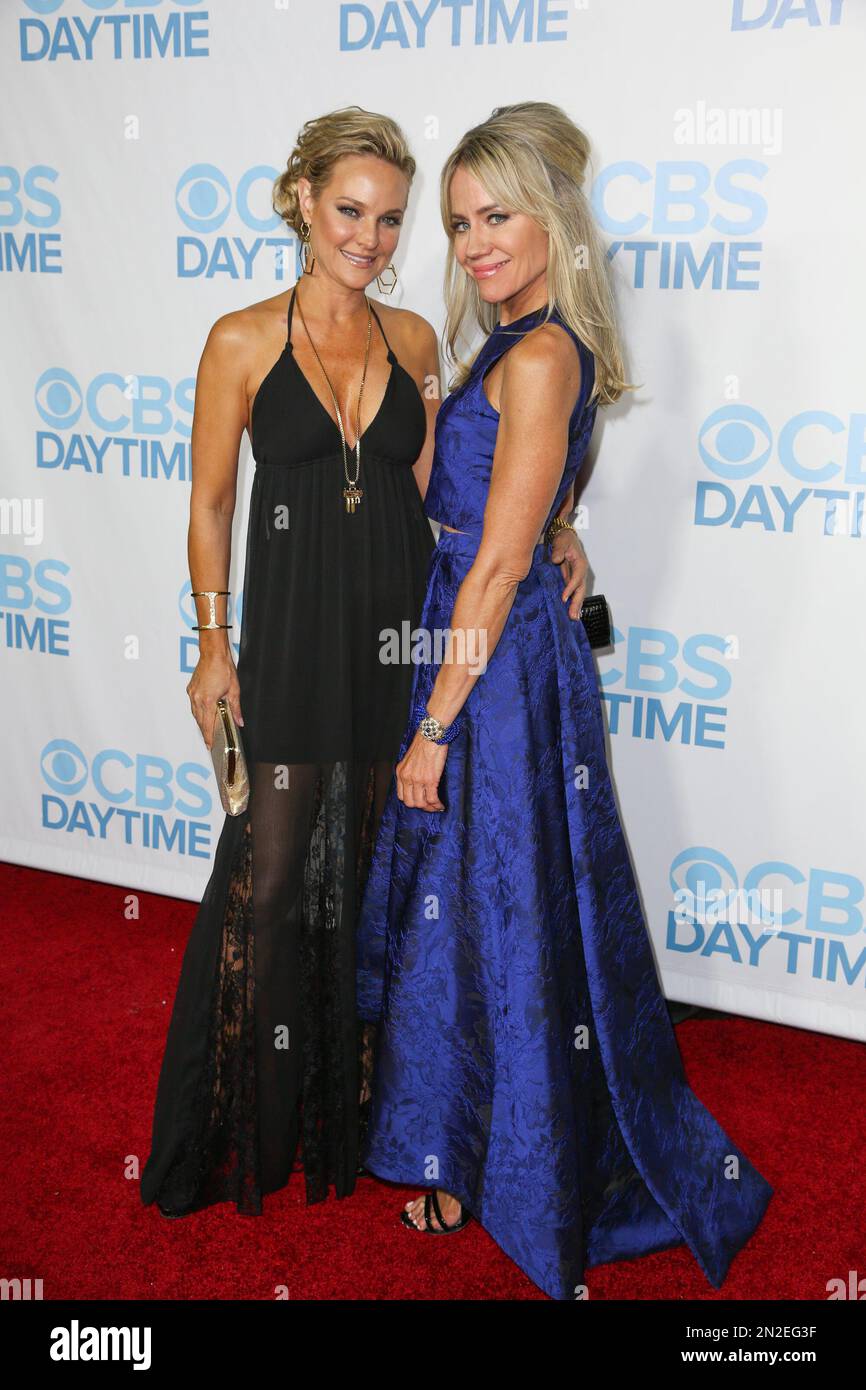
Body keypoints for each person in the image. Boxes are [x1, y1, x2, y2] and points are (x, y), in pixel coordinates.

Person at [356, 102, 774, 1299]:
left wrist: (435, 722)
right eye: (458, 223)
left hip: (485, 657)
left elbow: (490, 564)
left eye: (498, 215)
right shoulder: (509, 343)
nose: (476, 241)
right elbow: (503, 510)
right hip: (477, 632)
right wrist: (558, 525)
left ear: (551, 219)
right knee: (485, 900)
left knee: (476, 893)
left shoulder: (537, 353)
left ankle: (484, 1152)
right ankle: (472, 1135)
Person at [141, 106, 590, 1218]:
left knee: (382, 886)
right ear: (303, 200)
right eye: (352, 210)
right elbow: (207, 504)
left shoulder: (418, 345)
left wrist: (559, 523)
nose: (372, 238)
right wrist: (210, 645)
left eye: (393, 221)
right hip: (290, 643)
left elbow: (458, 491)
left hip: (403, 639)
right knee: (273, 877)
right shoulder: (238, 340)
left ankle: (362, 1115)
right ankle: (243, 1125)